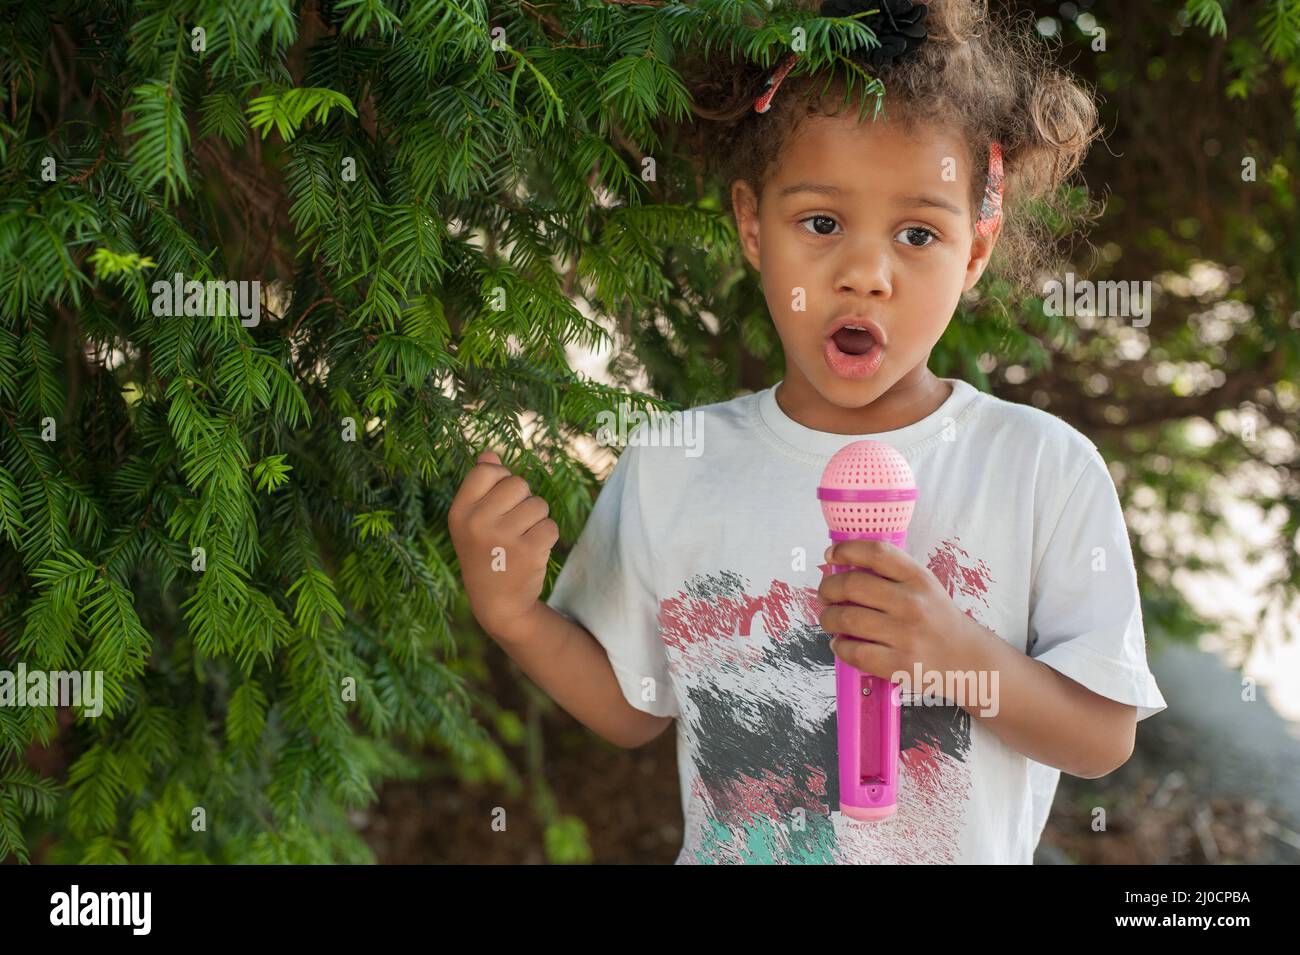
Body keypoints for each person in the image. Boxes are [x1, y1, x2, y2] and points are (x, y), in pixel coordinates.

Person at [448, 0, 1167, 864]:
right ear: (754, 225)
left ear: (975, 251)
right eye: (821, 223)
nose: (865, 273)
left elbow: (1102, 734)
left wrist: (956, 653)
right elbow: (634, 706)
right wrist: (515, 615)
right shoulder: (678, 464)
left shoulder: (1040, 469)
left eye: (917, 233)